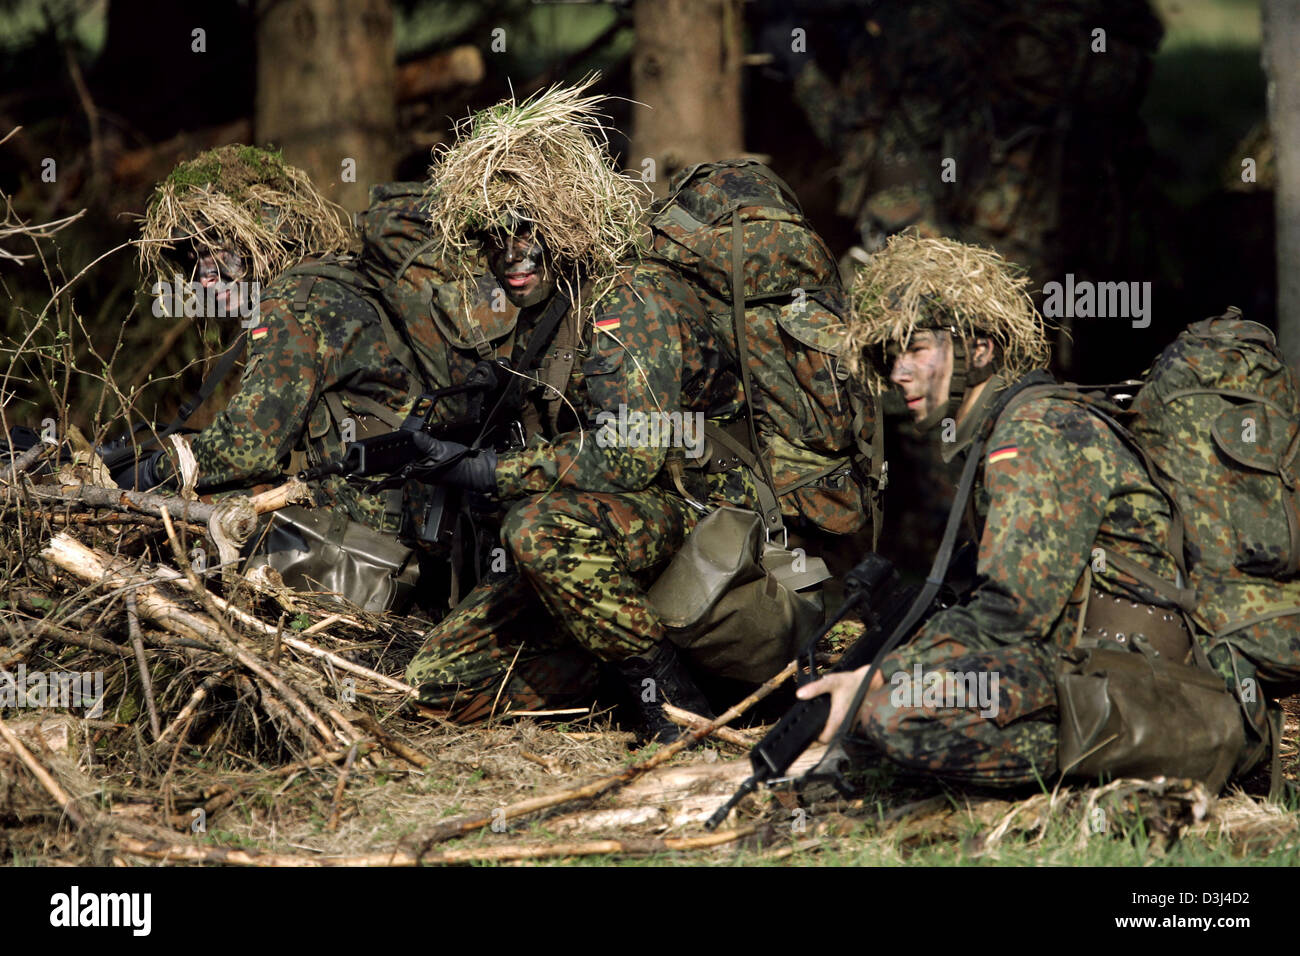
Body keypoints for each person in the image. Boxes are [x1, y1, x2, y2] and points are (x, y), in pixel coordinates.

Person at [402, 80, 787, 739]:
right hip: (607, 523)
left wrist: (485, 472)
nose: (509, 253)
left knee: (538, 530)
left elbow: (630, 455)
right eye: (491, 237)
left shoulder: (625, 297)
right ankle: (604, 668)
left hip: (688, 508)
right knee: (431, 681)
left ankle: (666, 698)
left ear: (564, 221)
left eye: (526, 229)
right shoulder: (545, 319)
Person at [796, 234, 1251, 786]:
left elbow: (1013, 612)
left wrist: (879, 678)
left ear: (980, 350)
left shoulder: (1034, 434)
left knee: (896, 709)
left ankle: (1122, 773)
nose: (898, 373)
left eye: (916, 349)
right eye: (891, 358)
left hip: (1139, 683)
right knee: (896, 698)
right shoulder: (1012, 430)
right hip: (1094, 668)